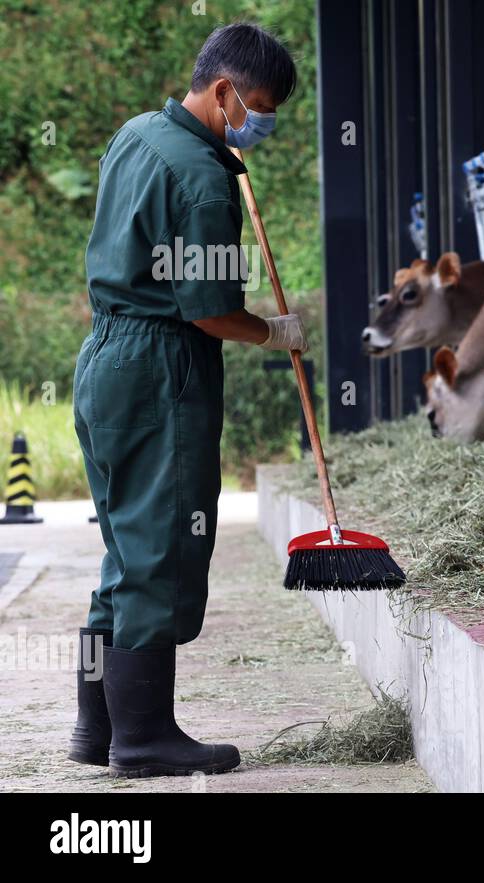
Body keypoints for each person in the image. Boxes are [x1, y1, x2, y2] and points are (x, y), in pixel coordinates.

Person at [69, 22, 307, 778]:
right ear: (224, 91)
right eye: (259, 107)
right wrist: (275, 331)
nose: (260, 124)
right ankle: (143, 738)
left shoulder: (137, 134)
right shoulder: (204, 179)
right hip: (158, 371)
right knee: (160, 551)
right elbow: (207, 307)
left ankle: (94, 728)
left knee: (124, 550)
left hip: (105, 358)